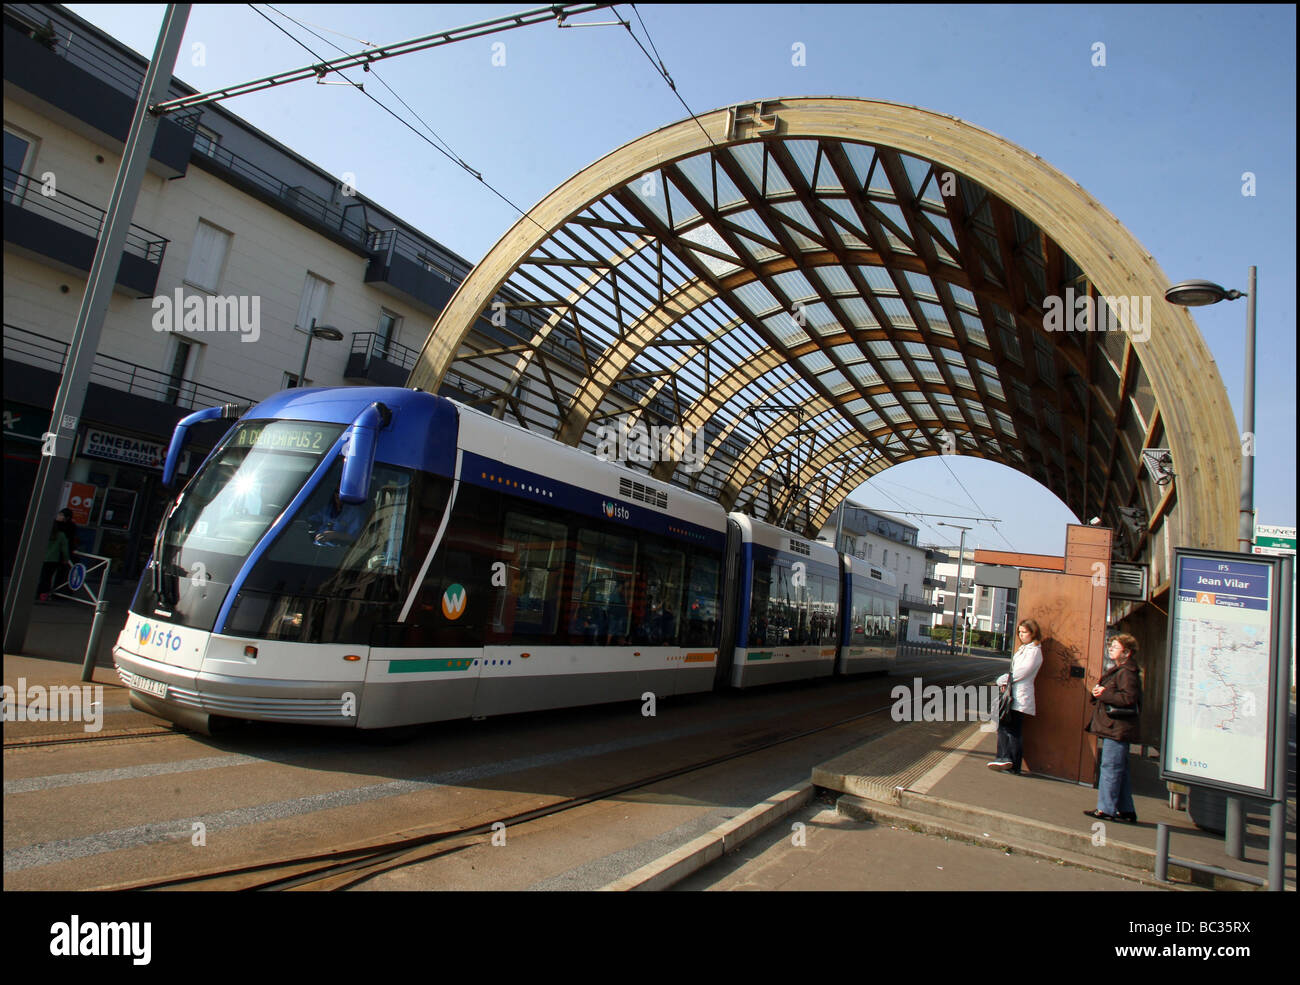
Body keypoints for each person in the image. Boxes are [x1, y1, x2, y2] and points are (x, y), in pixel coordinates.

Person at [1084, 633, 1142, 822]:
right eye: (1111, 646)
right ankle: (1126, 811)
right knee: (1120, 770)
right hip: (1115, 727)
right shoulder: (1120, 670)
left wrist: (1104, 693)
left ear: (1127, 652)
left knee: (1110, 768)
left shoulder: (1127, 673)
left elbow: (1128, 698)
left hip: (1118, 728)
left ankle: (1106, 809)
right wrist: (1098, 693)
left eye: (1115, 647)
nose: (1111, 649)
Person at [988, 618, 1043, 775]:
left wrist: (1002, 679)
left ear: (1033, 633)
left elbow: (1021, 672)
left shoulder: (1034, 652)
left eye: (1024, 632)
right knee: (1004, 727)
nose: (1021, 635)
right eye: (1019, 632)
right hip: (1013, 694)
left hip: (1020, 697)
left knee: (1013, 730)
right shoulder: (1025, 649)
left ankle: (1013, 764)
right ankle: (1003, 759)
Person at [36, 509, 75, 601]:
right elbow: (65, 548)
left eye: (61, 515)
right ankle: (46, 594)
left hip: (47, 557)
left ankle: (42, 593)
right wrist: (66, 557)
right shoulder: (62, 534)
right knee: (48, 577)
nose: (59, 516)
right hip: (54, 558)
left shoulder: (51, 532)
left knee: (45, 577)